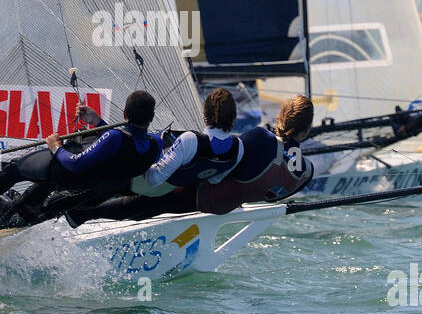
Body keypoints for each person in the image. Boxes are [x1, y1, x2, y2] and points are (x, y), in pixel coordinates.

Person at [63, 94, 315, 226]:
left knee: (140, 185)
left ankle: (74, 208)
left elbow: (224, 156)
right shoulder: (306, 172)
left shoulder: (261, 138)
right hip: (219, 204)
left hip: (200, 187)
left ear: (281, 117)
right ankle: (82, 213)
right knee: (150, 205)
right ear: (307, 130)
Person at [0, 89, 160, 224]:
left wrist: (55, 147)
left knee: (16, 168)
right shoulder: (153, 145)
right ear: (151, 117)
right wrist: (97, 122)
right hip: (92, 187)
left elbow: (76, 164)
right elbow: (125, 149)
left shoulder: (115, 136)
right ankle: (22, 209)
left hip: (72, 174)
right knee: (55, 169)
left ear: (123, 113)